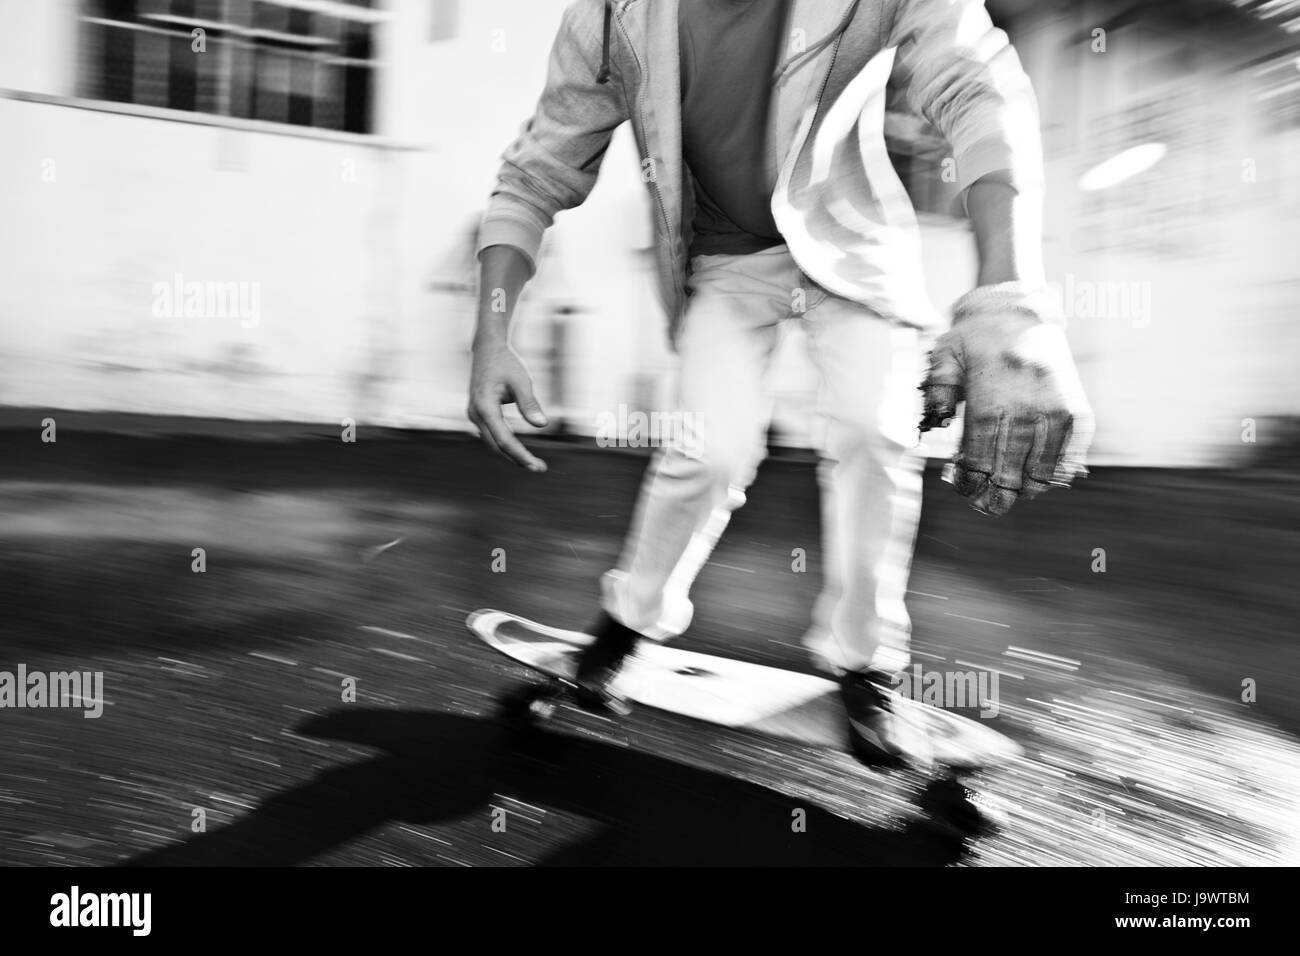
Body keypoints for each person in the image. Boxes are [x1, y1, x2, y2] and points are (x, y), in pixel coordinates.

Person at [466, 0, 1092, 766]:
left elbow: (976, 86)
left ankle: (867, 668)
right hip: (724, 266)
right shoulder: (609, 18)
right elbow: (537, 171)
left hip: (852, 250)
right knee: (708, 452)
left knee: (873, 432)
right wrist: (492, 331)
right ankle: (627, 624)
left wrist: (1010, 294)